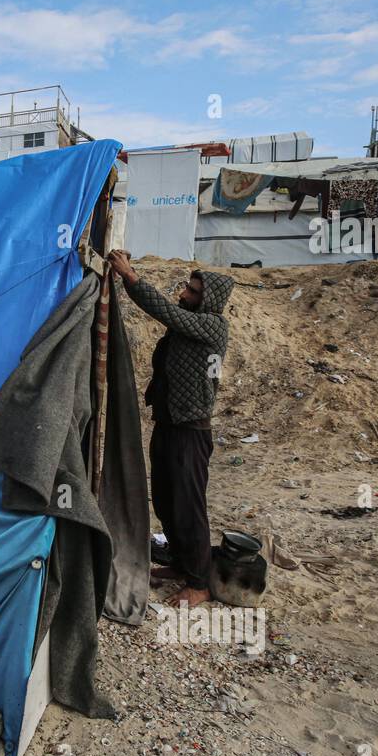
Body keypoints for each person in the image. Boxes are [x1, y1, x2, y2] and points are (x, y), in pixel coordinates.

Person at [107, 251, 235, 607]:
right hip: (169, 422)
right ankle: (181, 563)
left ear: (207, 299)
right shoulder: (189, 322)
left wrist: (130, 277)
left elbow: (166, 311)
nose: (184, 294)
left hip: (190, 431)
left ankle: (199, 581)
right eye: (188, 289)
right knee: (166, 498)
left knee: (188, 506)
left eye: (193, 292)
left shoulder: (212, 325)